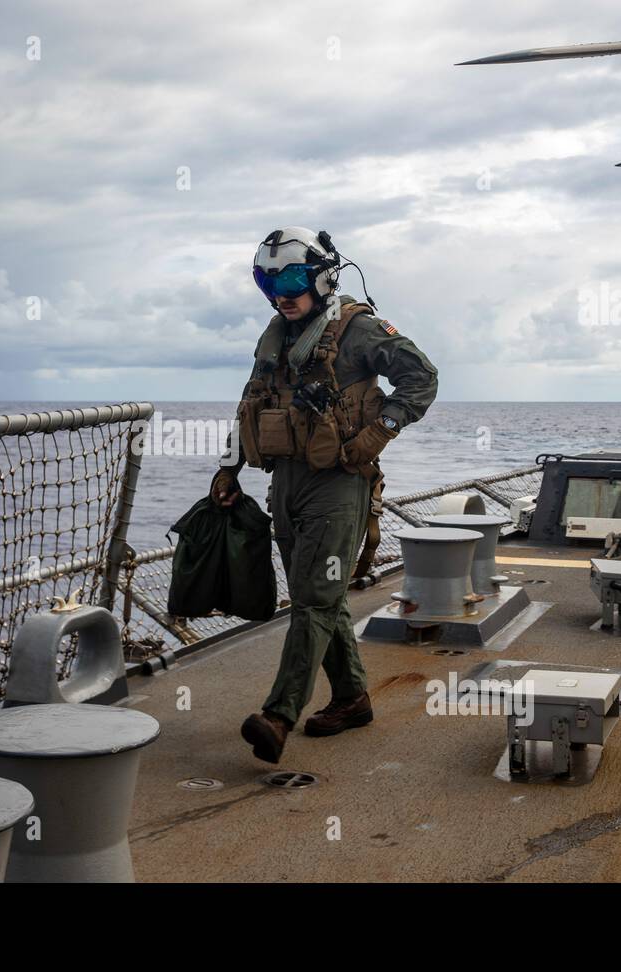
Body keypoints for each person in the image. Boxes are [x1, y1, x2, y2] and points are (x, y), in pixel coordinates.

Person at [212, 226, 438, 763]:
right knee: (321, 597)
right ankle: (352, 698)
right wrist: (228, 468)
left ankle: (278, 715)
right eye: (269, 284)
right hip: (286, 482)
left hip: (338, 483)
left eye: (292, 280)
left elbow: (422, 377)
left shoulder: (359, 331)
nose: (282, 295)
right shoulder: (277, 339)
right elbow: (251, 402)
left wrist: (379, 431)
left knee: (313, 598)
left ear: (320, 277)